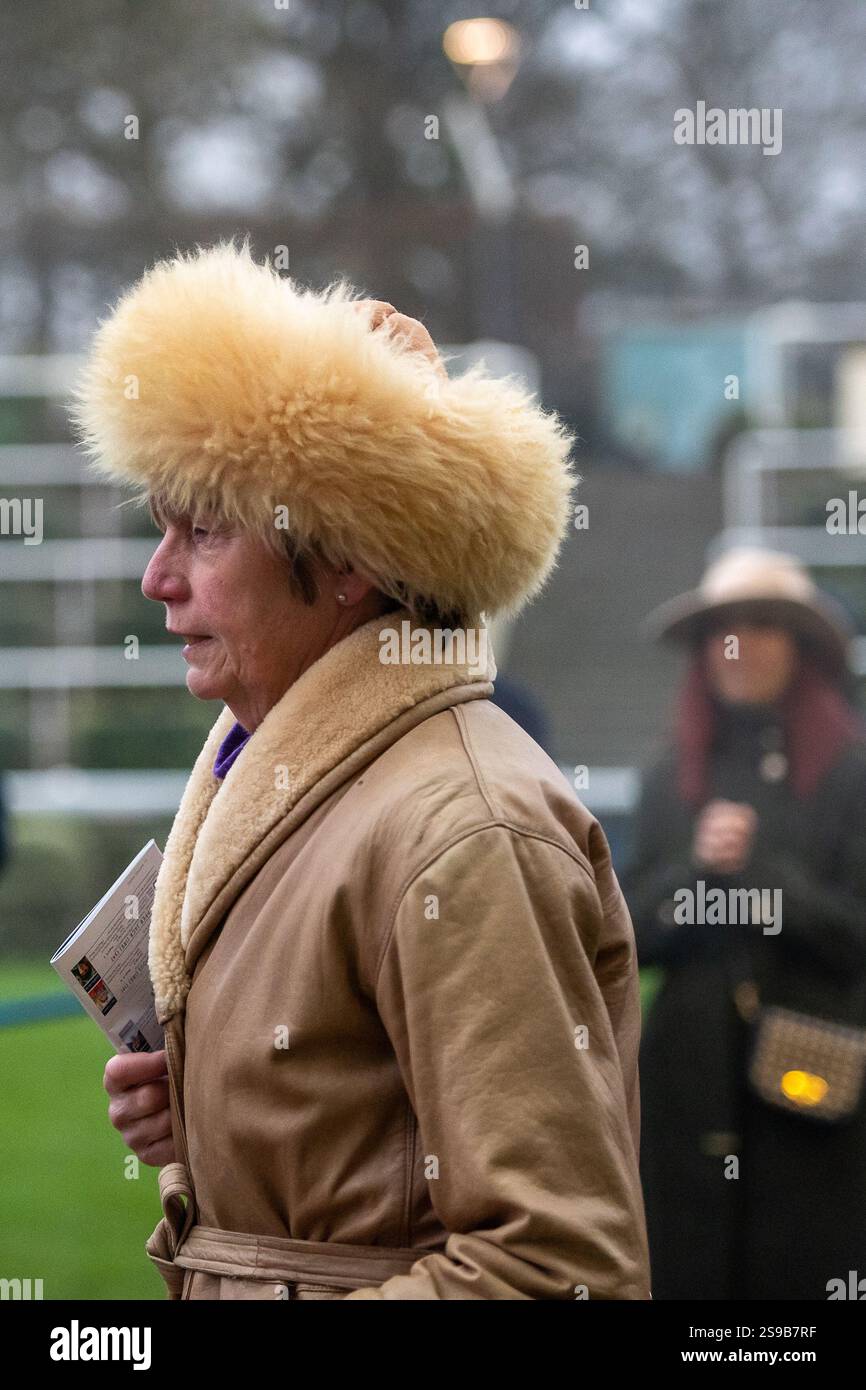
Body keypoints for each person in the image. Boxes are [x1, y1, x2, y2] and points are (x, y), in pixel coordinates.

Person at [72, 240, 651, 1300]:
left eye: (202, 530)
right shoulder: (312, 770)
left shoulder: (467, 832)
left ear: (348, 561)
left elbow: (553, 1271)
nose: (157, 579)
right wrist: (215, 1116)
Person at [622, 547, 866, 1300]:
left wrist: (761, 875)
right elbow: (628, 932)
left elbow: (853, 934)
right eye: (723, 628)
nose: (740, 646)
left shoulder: (850, 774)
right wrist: (698, 872)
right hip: (685, 1096)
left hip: (814, 1094)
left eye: (764, 626)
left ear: (802, 648)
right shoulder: (671, 776)